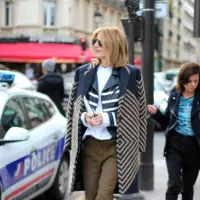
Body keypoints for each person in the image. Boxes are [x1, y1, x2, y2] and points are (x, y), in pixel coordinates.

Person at [65, 27, 147, 200]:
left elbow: (138, 112)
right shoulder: (84, 72)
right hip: (90, 145)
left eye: (100, 41)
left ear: (113, 44)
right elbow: (73, 108)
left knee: (104, 195)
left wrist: (107, 118)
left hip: (116, 145)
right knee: (91, 195)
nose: (95, 45)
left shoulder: (131, 74)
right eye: (94, 41)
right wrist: (84, 117)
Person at [148, 62, 200, 200]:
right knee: (173, 185)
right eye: (189, 81)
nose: (193, 84)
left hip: (195, 148)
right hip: (174, 146)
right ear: (182, 80)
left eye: (196, 81)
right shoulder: (174, 96)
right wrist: (156, 113)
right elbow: (166, 122)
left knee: (187, 187)